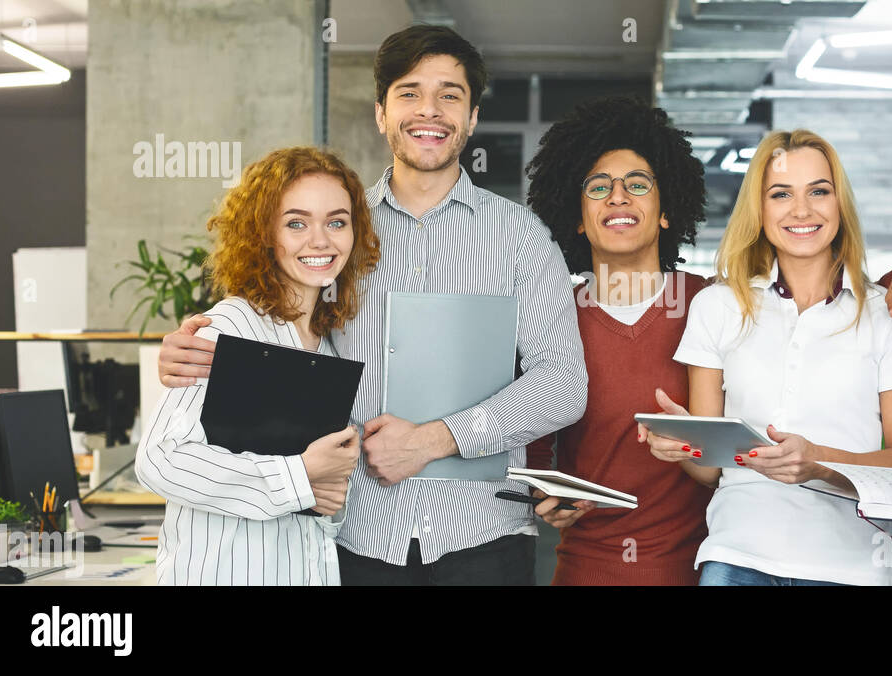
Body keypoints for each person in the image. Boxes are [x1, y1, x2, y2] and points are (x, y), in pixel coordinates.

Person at [153, 24, 586, 585]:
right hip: (352, 535)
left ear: (472, 118)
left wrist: (433, 440)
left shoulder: (521, 238)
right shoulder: (338, 230)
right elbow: (278, 330)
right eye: (409, 93)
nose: (428, 110)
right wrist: (193, 351)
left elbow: (563, 384)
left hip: (484, 536)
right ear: (381, 113)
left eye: (449, 95)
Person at [524, 101, 892, 585]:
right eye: (598, 187)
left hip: (697, 562)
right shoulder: (556, 316)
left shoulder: (708, 300)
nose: (618, 197)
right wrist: (544, 497)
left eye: (638, 184)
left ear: (666, 211)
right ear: (576, 216)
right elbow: (536, 441)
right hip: (601, 566)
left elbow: (823, 276)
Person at [642, 130, 892, 586]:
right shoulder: (718, 306)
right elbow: (709, 469)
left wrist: (818, 461)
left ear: (840, 204)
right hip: (737, 557)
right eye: (781, 194)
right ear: (760, 208)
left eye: (819, 191)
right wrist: (682, 446)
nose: (801, 210)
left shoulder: (887, 315)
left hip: (851, 566)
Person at [135, 146, 380, 585]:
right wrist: (300, 475)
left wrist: (327, 499)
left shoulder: (328, 350)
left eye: (336, 222)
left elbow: (318, 503)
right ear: (264, 234)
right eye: (296, 223)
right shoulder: (230, 328)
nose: (320, 240)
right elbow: (159, 459)